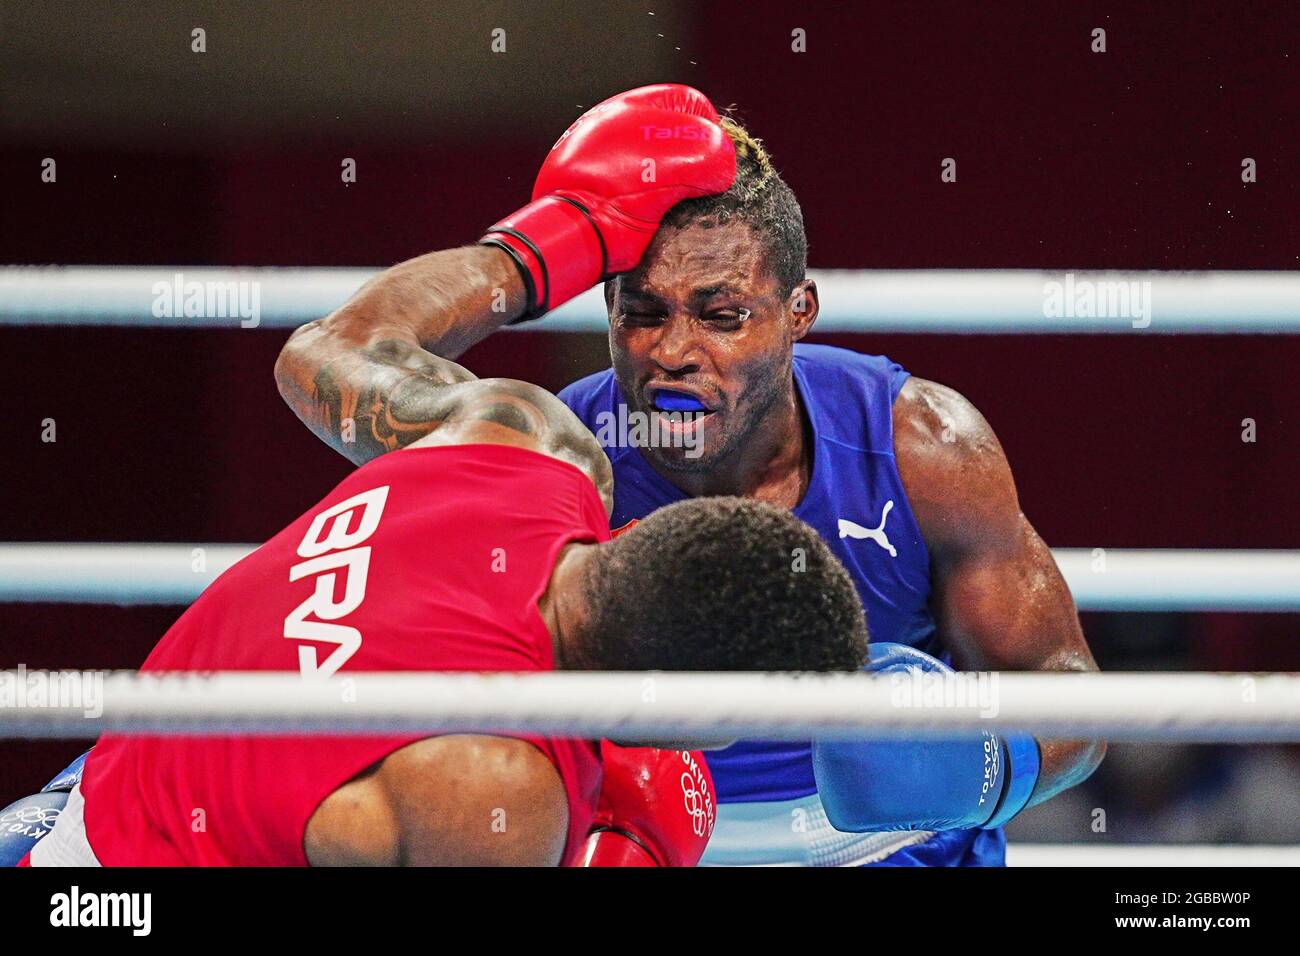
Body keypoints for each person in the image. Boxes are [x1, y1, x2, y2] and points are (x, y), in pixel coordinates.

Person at [4, 86, 870, 863]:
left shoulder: (526, 444)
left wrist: (559, 238)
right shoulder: (495, 789)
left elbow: (326, 352)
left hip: (76, 804)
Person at [273, 81, 1106, 866]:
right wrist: (532, 253)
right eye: (640, 314)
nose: (673, 353)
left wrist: (992, 767)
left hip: (903, 851)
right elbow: (338, 362)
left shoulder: (919, 446)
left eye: (722, 316)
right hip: (648, 845)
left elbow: (1067, 693)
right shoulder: (554, 468)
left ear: (798, 313)